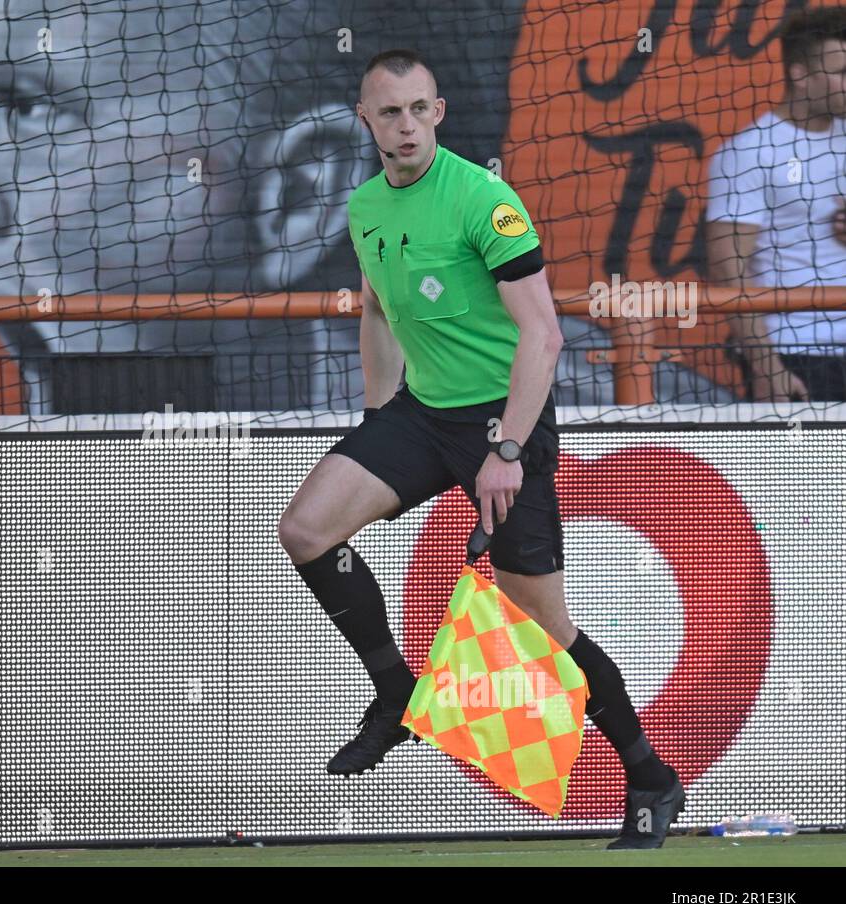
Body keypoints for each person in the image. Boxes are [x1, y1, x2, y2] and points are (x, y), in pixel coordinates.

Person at [276, 50, 685, 849]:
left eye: (417, 109)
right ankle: (396, 693)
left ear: (439, 113)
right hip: (422, 415)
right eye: (388, 112)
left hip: (506, 420)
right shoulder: (364, 206)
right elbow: (380, 314)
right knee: (306, 530)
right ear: (366, 120)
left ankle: (648, 774)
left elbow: (545, 333)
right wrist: (374, 426)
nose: (404, 125)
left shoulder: (483, 200)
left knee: (543, 620)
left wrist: (508, 449)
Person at [708, 6, 846, 401]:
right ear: (800, 75)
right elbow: (729, 271)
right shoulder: (749, 151)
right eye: (842, 73)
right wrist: (767, 368)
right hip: (799, 350)